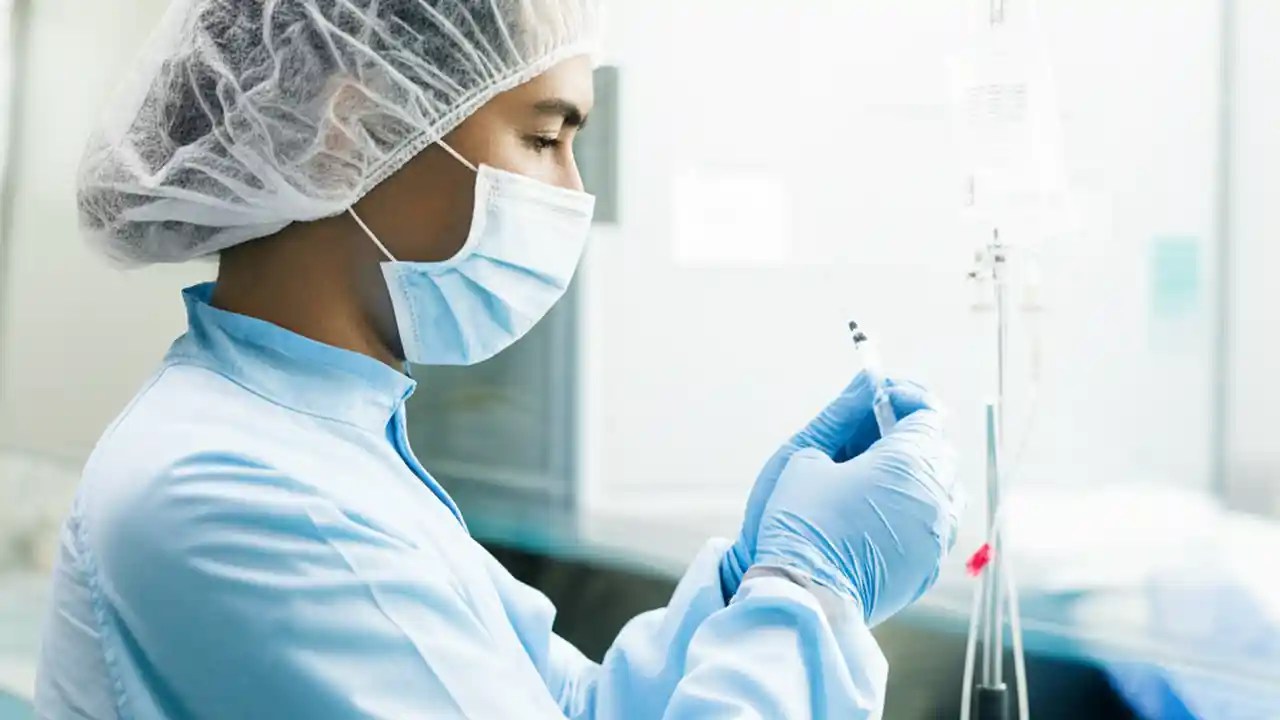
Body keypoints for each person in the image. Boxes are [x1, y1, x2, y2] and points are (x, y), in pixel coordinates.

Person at [35, 1, 962, 717]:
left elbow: (569, 707)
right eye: (544, 137)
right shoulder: (230, 490)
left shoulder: (330, 445)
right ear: (353, 129)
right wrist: (808, 585)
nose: (575, 191)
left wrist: (749, 578)